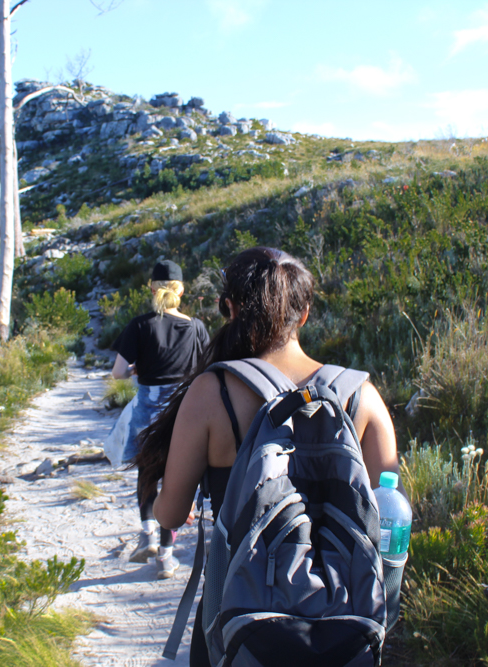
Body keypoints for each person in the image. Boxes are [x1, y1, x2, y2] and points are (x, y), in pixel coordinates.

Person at [135, 247, 398, 666]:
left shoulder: (212, 392)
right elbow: (390, 519)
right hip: (345, 627)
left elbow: (168, 516)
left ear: (229, 308)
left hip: (238, 622)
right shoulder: (361, 397)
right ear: (306, 313)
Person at [110, 259, 210, 580]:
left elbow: (118, 373)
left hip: (146, 415)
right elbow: (207, 373)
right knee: (177, 481)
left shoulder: (138, 326)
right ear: (181, 290)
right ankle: (166, 556)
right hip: (182, 417)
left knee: (147, 473)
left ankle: (147, 533)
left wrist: (136, 370)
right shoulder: (196, 328)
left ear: (152, 289)